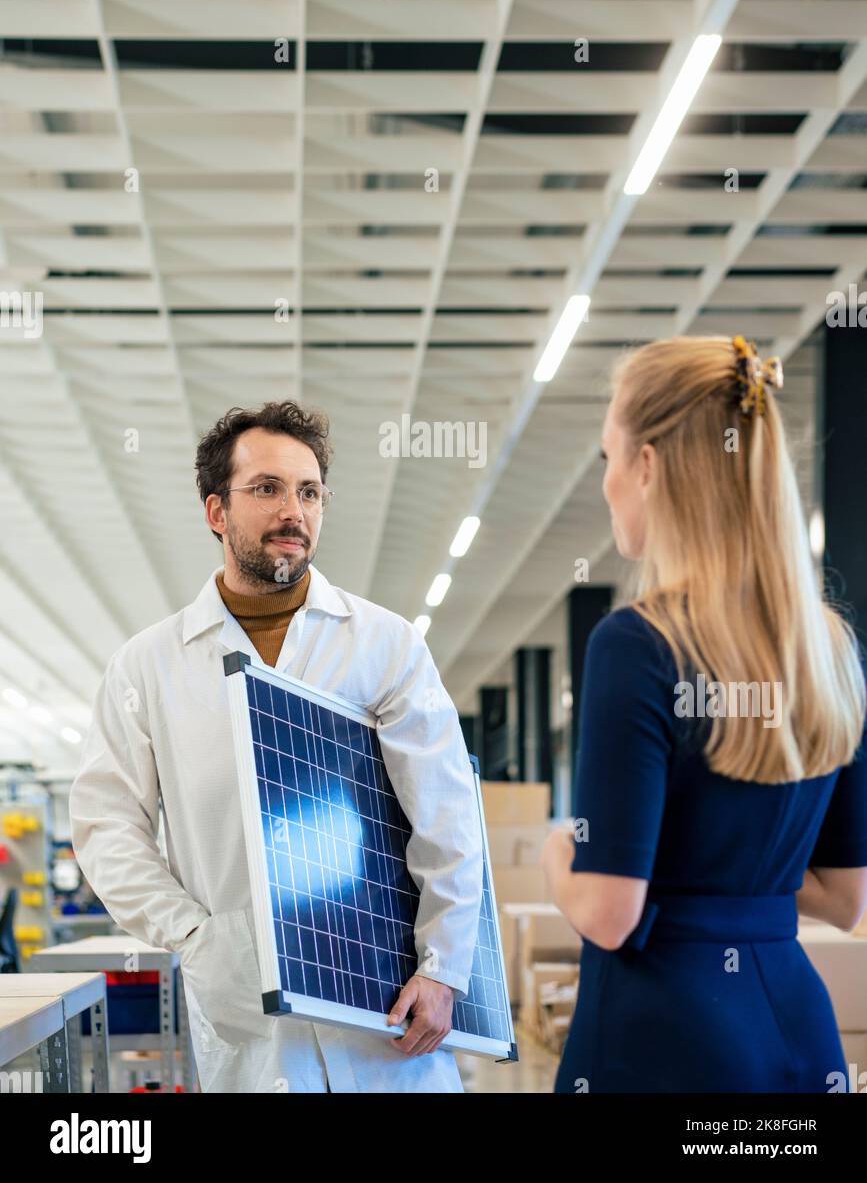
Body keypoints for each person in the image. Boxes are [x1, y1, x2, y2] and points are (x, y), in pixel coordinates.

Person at [70, 400, 483, 1092]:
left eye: (309, 491)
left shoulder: (383, 645)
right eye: (266, 489)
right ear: (215, 512)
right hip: (246, 1024)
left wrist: (442, 968)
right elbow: (105, 824)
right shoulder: (148, 666)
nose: (293, 510)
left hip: (388, 1012)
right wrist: (197, 936)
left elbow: (445, 815)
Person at [541, 335, 867, 1093]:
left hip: (663, 1039)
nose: (608, 483)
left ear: (648, 466)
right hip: (792, 1032)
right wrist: (722, 892)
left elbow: (609, 913)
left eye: (608, 460)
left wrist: (562, 855)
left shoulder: (638, 643)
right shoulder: (827, 650)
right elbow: (845, 899)